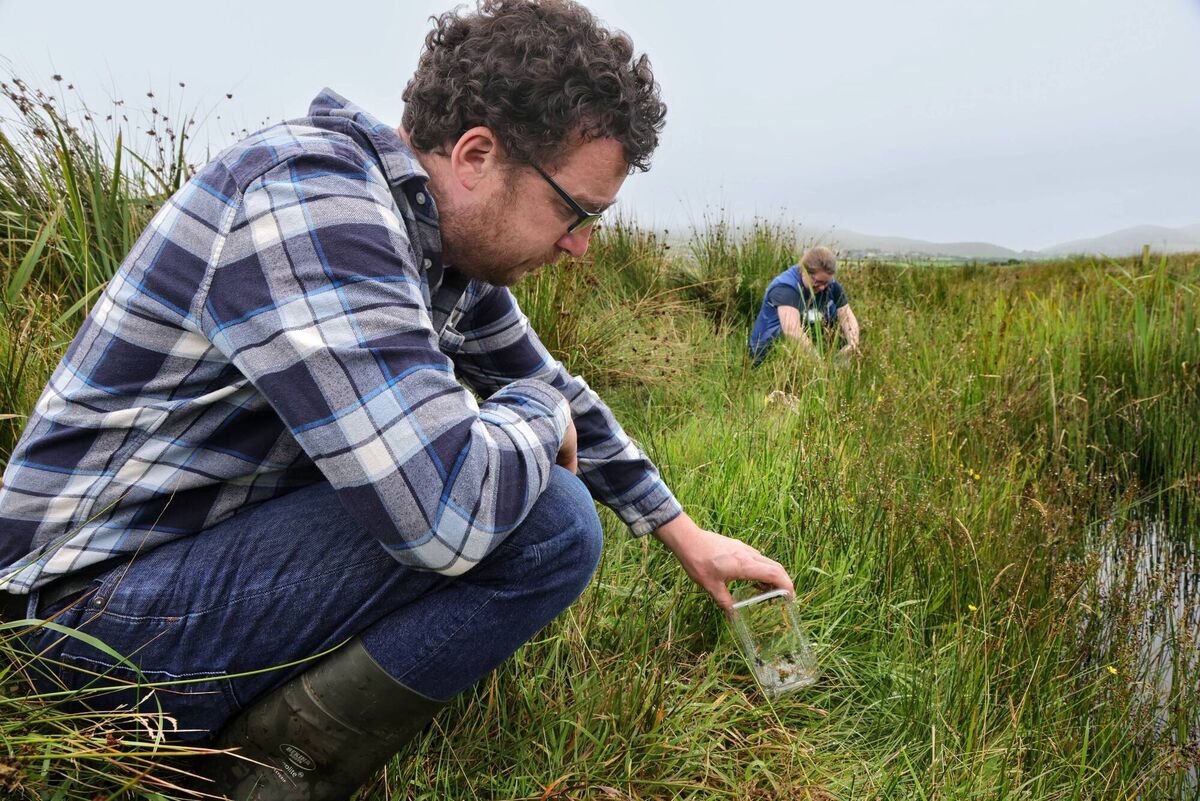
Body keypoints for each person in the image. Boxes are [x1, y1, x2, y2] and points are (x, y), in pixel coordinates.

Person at [0, 2, 793, 799]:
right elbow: (440, 515)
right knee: (549, 518)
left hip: (168, 578)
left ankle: (247, 748)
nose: (580, 245)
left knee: (522, 500)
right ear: (478, 154)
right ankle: (245, 779)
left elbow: (555, 386)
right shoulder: (316, 199)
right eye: (574, 211)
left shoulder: (435, 249)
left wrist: (685, 533)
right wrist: (532, 417)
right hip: (68, 636)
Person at [748, 246, 861, 364]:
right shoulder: (785, 288)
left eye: (826, 282)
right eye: (817, 282)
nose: (822, 287)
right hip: (771, 355)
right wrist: (819, 364)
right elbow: (792, 331)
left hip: (811, 350)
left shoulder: (832, 285)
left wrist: (853, 343)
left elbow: (846, 315)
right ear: (803, 272)